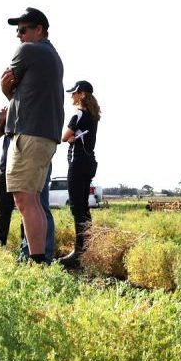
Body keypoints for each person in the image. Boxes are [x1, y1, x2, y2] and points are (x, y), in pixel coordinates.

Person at [0, 7, 64, 264]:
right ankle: (38, 261)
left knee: (24, 199)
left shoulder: (29, 50)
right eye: (17, 31)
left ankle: (36, 262)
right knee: (33, 200)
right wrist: (10, 90)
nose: (19, 35)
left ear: (40, 29)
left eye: (23, 29)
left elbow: (9, 83)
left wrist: (5, 87)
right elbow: (20, 95)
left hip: (30, 134)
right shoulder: (52, 55)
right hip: (42, 135)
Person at [0, 105, 54, 256]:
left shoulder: (32, 111)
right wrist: (1, 121)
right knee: (4, 212)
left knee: (31, 207)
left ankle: (32, 253)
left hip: (29, 166)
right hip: (6, 169)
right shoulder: (11, 112)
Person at [59, 79, 101, 267]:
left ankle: (78, 253)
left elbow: (64, 136)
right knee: (84, 208)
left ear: (81, 94)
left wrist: (71, 139)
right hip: (89, 163)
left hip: (77, 164)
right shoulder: (93, 116)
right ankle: (86, 249)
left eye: (74, 92)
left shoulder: (78, 114)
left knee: (77, 208)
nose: (71, 96)